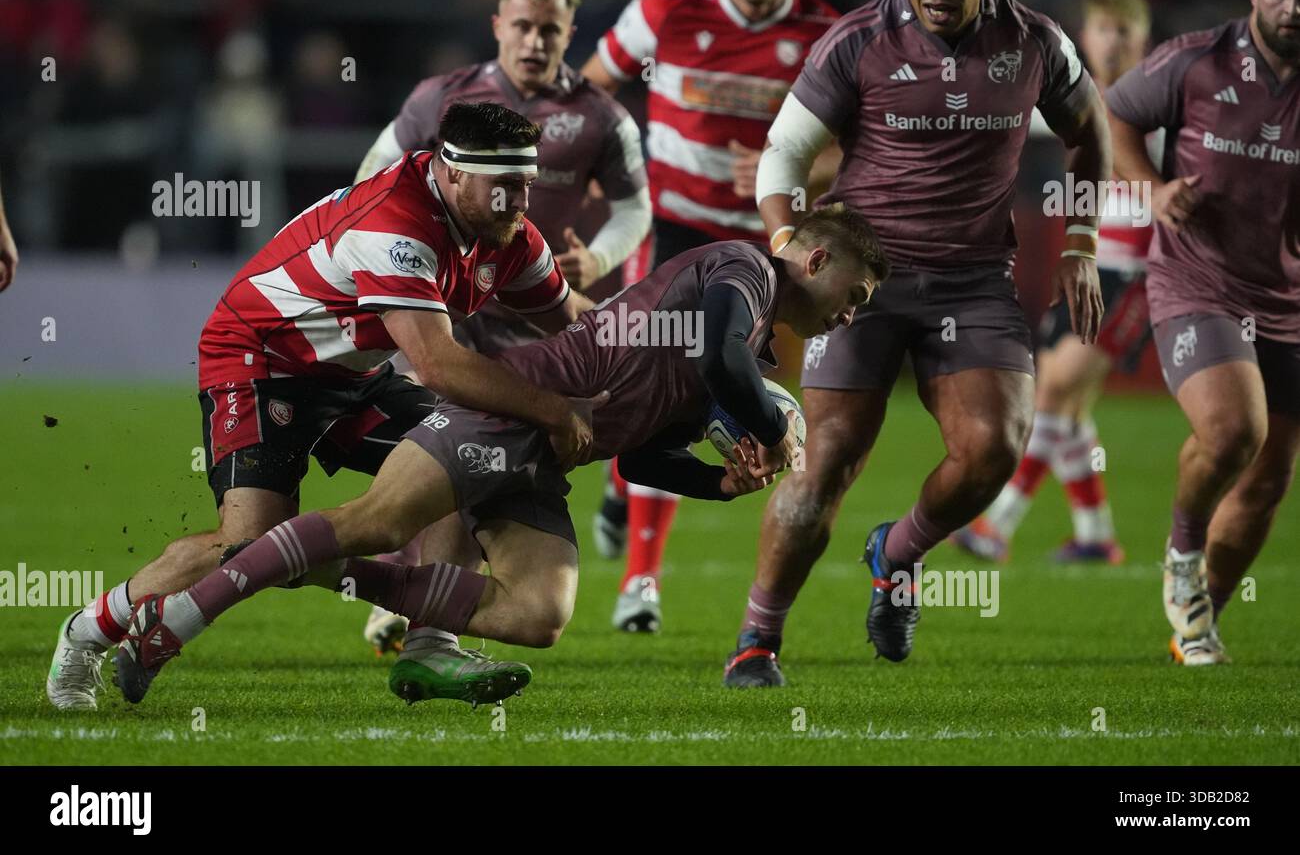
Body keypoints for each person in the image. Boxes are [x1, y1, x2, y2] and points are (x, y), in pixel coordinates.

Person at [111, 208, 890, 707]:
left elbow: (642, 461)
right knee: (376, 524)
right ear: (818, 263)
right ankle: (175, 620)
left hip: (549, 458)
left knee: (539, 613)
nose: (850, 316)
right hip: (510, 410)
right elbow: (723, 364)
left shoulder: (745, 336)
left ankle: (309, 571)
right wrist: (778, 428)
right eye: (856, 297)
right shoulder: (744, 271)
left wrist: (720, 482)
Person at [46, 102, 595, 709]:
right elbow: (438, 365)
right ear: (454, 172)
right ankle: (87, 634)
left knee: (461, 454)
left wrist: (660, 359)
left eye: (526, 184)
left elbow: (577, 323)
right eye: (505, 186)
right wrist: (551, 410)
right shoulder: (396, 224)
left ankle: (430, 648)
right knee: (250, 541)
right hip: (261, 356)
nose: (518, 203)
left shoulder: (507, 233)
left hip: (351, 371)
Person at [724, 0, 1111, 687]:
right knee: (823, 461)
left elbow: (1090, 128)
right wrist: (787, 242)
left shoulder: (1034, 40)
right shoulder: (860, 38)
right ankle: (757, 640)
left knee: (993, 452)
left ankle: (896, 552)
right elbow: (783, 155)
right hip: (861, 284)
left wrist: (1080, 238)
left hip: (975, 282)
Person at [352, 0, 650, 653]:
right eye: (522, 25)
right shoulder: (441, 99)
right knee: (454, 445)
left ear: (571, 31)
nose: (535, 40)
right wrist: (413, 262)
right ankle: (421, 606)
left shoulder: (600, 115)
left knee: (478, 457)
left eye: (550, 28)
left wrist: (599, 260)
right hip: (447, 309)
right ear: (498, 25)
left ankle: (414, 598)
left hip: (539, 311)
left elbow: (636, 206)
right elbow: (371, 175)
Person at [581, 0, 840, 632]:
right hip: (671, 234)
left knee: (698, 396)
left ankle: (622, 491)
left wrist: (791, 169)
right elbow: (591, 86)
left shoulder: (822, 35)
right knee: (665, 389)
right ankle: (640, 582)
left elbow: (853, 146)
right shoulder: (665, 11)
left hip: (765, 246)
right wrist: (608, 165)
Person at [1106, 0, 1300, 666]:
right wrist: (1151, 190)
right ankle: (1182, 557)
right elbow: (1115, 115)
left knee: (1269, 480)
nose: (1293, 8)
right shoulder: (1196, 60)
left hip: (1288, 297)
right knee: (1231, 431)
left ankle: (1196, 622)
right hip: (1198, 283)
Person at [952, 0, 1159, 565]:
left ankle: (996, 525)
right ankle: (1095, 535)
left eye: (1124, 30)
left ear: (1142, 38)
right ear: (1084, 37)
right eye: (1102, 29)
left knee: (1054, 392)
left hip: (1134, 275)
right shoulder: (1083, 98)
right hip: (1088, 269)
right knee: (1067, 406)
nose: (1111, 40)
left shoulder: (1157, 102)